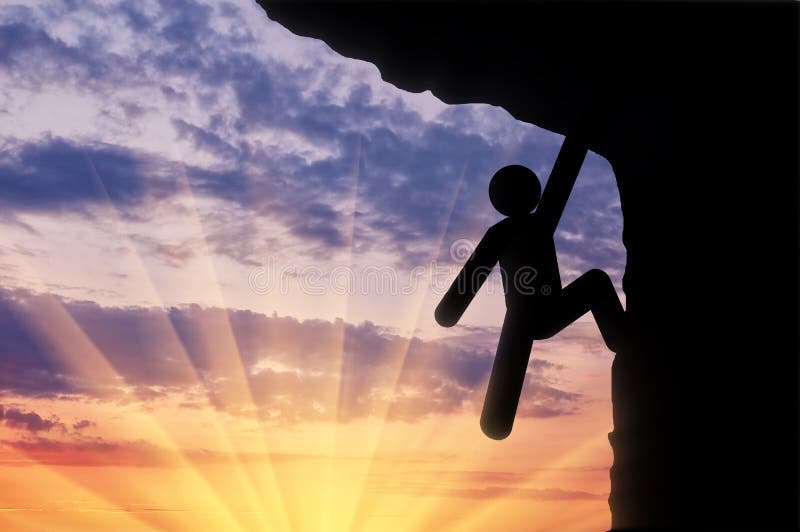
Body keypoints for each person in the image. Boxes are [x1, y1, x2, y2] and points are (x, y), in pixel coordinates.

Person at [435, 135, 627, 439]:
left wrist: (448, 312)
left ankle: (625, 341)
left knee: (596, 282)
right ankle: (624, 339)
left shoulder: (519, 227)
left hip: (529, 316)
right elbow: (564, 175)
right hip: (532, 315)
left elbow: (563, 176)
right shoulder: (524, 226)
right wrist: (448, 311)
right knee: (596, 282)